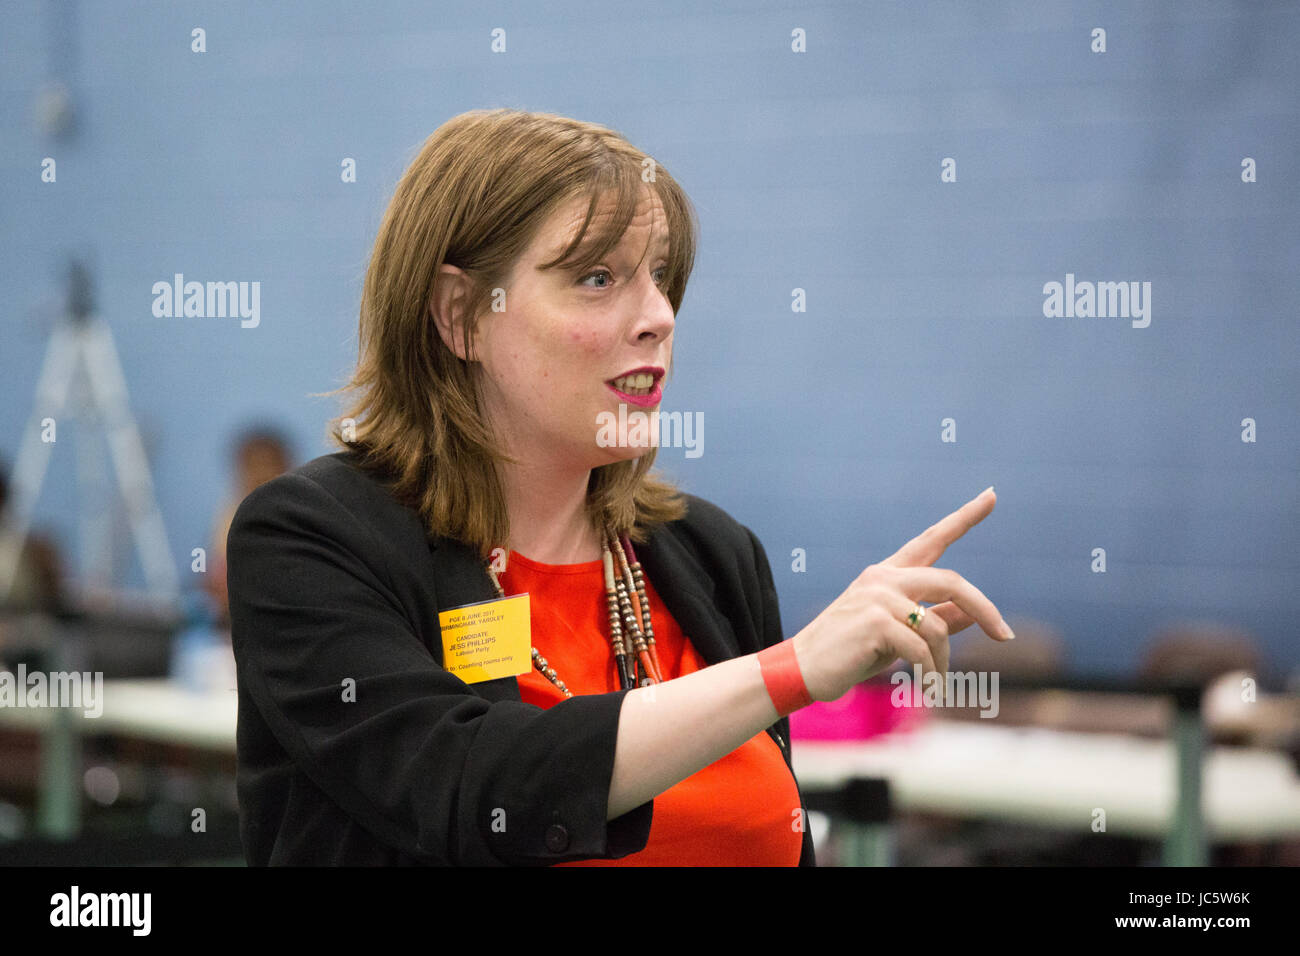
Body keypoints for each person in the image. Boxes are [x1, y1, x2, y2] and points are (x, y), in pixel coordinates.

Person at [226, 108, 1014, 866]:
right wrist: (791, 669)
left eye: (661, 276)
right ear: (460, 314)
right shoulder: (311, 539)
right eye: (598, 278)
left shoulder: (710, 553)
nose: (659, 317)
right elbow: (472, 787)